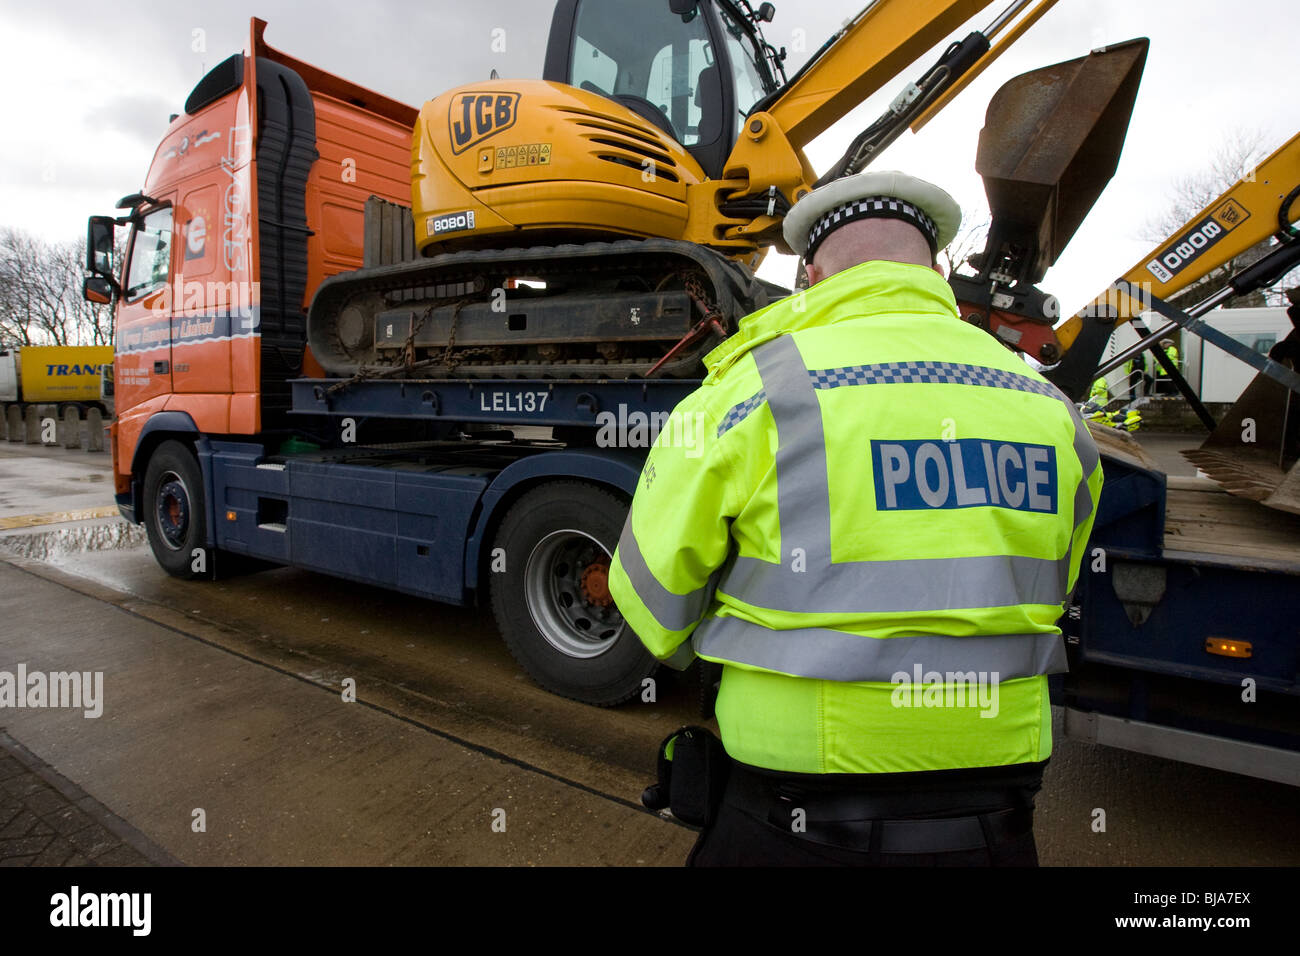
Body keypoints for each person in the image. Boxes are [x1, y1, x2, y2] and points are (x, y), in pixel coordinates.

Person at [608, 170, 1103, 866]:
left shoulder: (754, 391)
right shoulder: (1047, 405)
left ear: (811, 274)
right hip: (997, 798)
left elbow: (653, 601)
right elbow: (1056, 579)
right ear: (935, 270)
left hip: (795, 796)